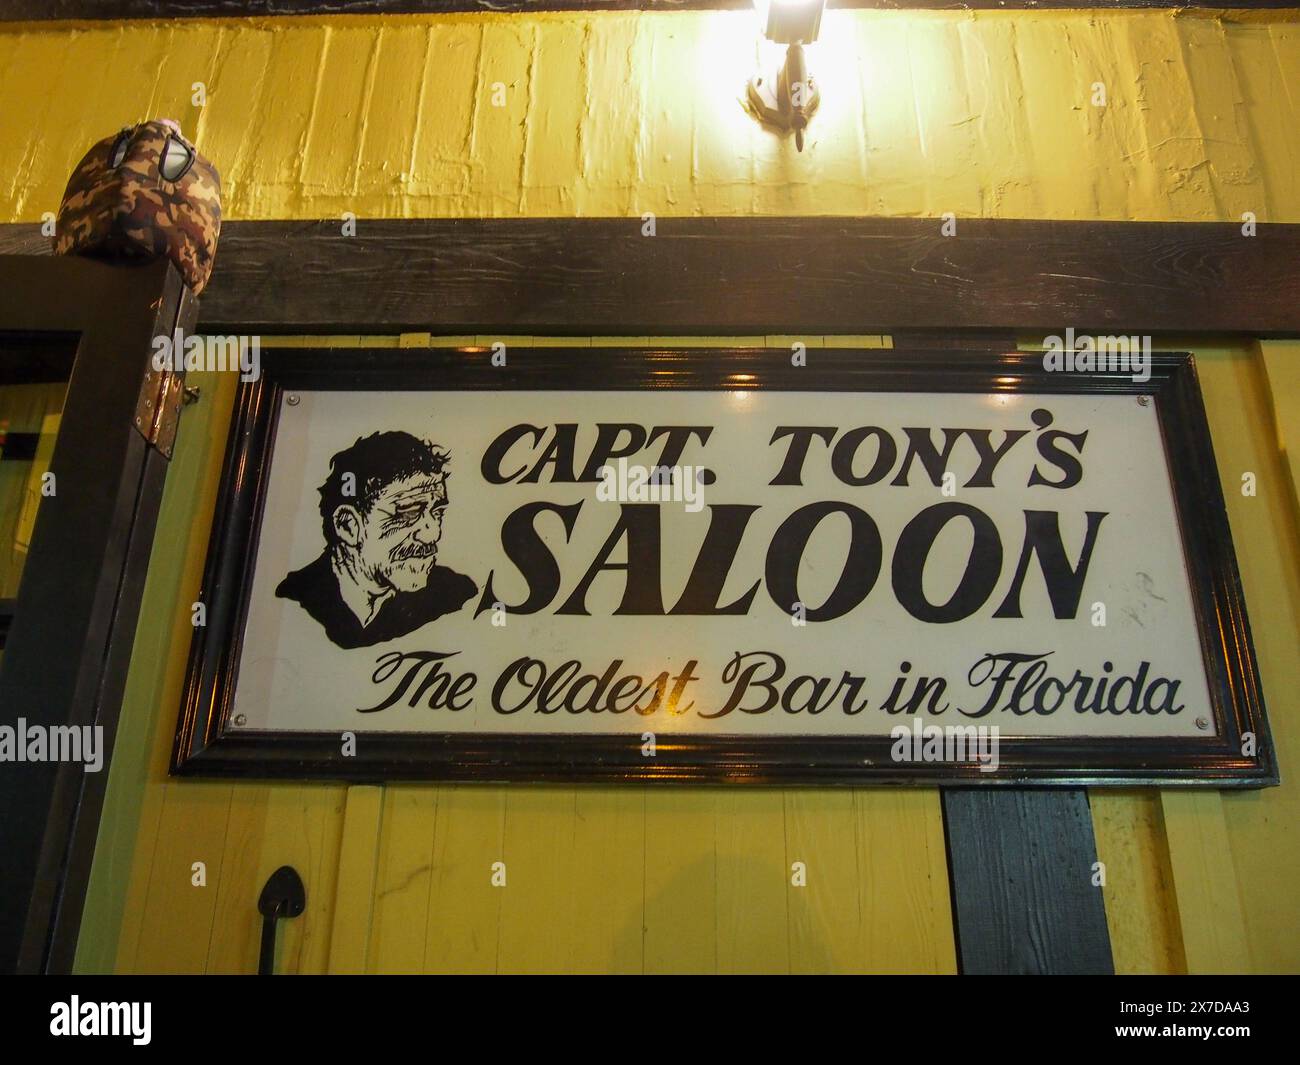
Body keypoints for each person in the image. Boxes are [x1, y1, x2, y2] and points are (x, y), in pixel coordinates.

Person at [276, 430, 477, 649]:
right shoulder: (293, 602)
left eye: (437, 512)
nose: (432, 533)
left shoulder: (454, 595)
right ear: (348, 526)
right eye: (408, 512)